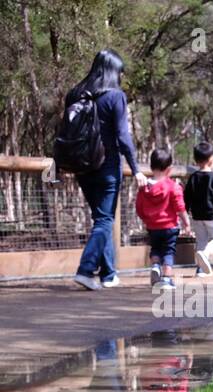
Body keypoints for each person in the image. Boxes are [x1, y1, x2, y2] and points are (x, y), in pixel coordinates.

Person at [65, 50, 147, 291]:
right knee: (104, 220)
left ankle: (109, 274)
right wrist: (136, 169)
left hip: (82, 165)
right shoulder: (115, 96)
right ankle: (85, 270)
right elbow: (123, 137)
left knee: (101, 218)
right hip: (107, 165)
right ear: (114, 72)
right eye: (120, 72)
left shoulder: (76, 94)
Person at [134, 147, 191, 288]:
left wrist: (146, 219)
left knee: (155, 249)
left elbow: (139, 207)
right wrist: (187, 223)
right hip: (170, 227)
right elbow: (180, 207)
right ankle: (166, 278)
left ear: (151, 167)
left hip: (153, 227)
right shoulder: (173, 186)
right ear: (169, 169)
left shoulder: (144, 188)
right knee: (168, 251)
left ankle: (155, 266)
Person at [184, 141, 213, 276]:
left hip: (196, 216)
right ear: (211, 159)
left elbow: (186, 198)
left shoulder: (193, 178)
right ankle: (205, 254)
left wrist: (185, 212)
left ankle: (200, 269)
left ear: (196, 160)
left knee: (201, 240)